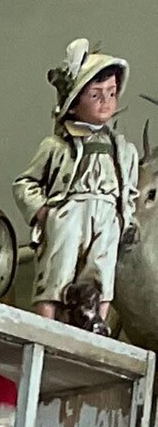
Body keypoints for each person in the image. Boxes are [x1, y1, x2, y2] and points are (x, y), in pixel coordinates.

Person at [16, 40, 140, 328]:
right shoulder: (56, 145)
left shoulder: (123, 150)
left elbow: (129, 191)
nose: (105, 101)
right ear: (74, 101)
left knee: (102, 272)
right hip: (70, 211)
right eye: (95, 94)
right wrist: (44, 212)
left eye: (111, 93)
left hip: (108, 215)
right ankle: (46, 324)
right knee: (57, 270)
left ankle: (97, 324)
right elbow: (24, 182)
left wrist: (123, 219)